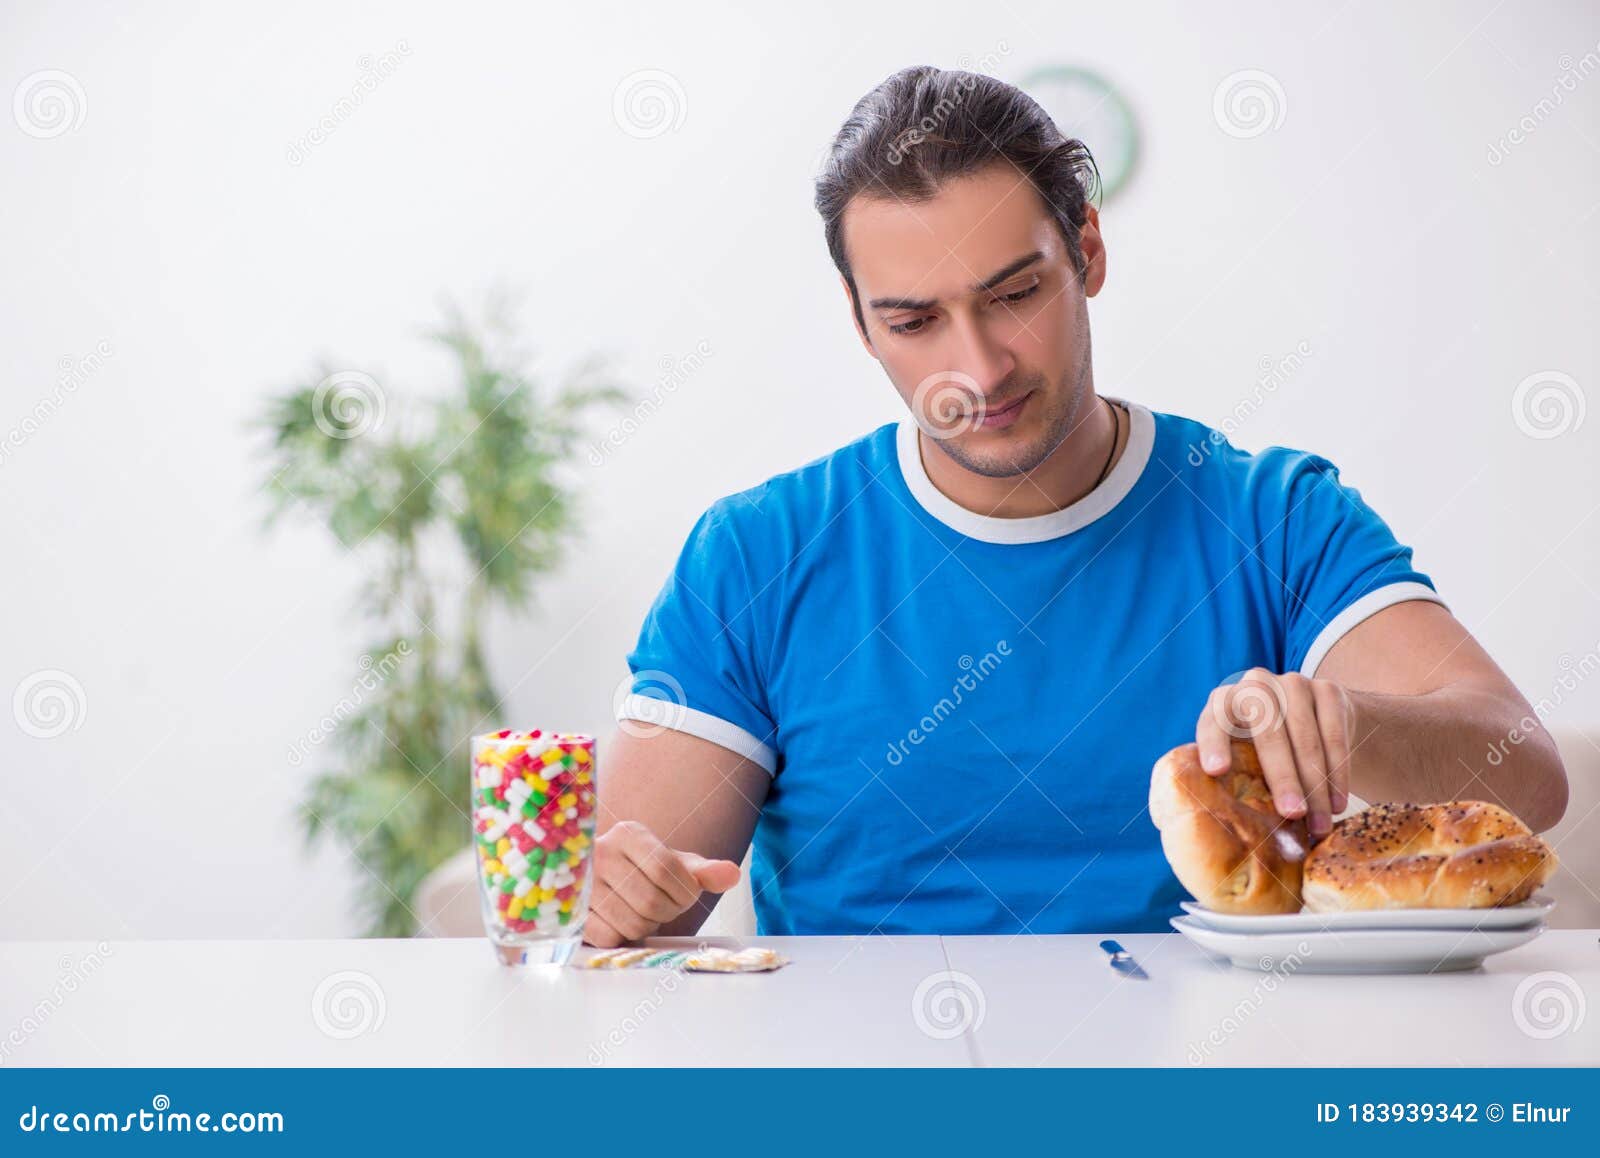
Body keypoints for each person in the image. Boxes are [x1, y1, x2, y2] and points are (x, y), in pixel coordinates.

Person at [583, 66, 1569, 946]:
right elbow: (632, 913)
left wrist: (1345, 724)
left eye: (1013, 293)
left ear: (1086, 251)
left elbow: (1528, 774)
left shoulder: (1272, 517)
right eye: (915, 321)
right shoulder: (758, 556)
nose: (977, 367)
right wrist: (618, 896)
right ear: (859, 323)